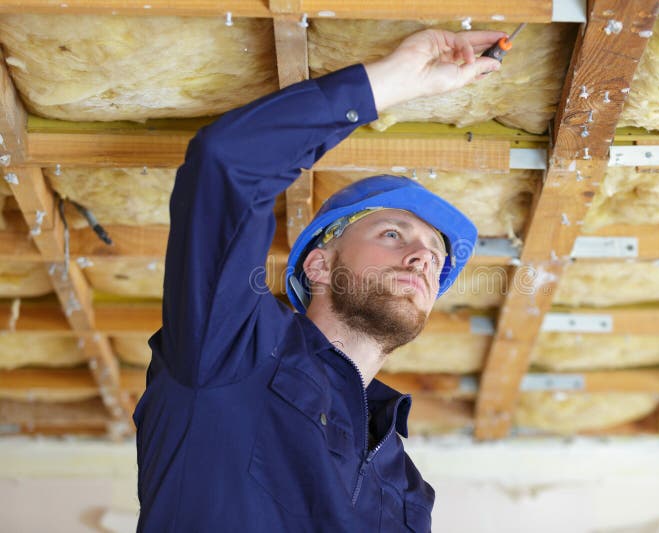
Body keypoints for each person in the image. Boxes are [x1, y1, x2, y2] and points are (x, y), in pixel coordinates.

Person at [134, 28, 505, 532]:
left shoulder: (408, 494)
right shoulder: (234, 348)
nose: (423, 258)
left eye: (437, 257)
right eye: (394, 234)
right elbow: (228, 165)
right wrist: (389, 83)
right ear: (319, 265)